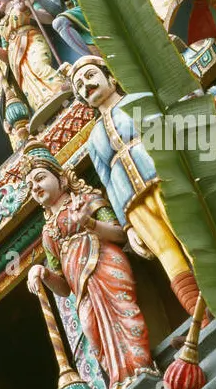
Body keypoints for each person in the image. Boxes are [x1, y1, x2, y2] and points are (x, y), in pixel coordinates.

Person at [68, 56, 202, 316]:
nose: (87, 85)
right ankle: (201, 316)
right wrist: (127, 226)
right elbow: (106, 180)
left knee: (192, 240)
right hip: (134, 206)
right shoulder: (94, 138)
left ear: (111, 78)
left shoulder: (133, 103)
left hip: (165, 182)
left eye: (90, 76)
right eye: (80, 85)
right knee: (167, 256)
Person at [23, 146, 156, 389]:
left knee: (124, 310)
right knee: (91, 330)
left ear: (61, 179)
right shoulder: (48, 234)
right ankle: (119, 379)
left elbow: (119, 233)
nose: (36, 187)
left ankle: (141, 367)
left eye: (40, 178)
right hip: (80, 287)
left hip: (106, 262)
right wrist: (43, 273)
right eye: (31, 186)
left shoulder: (87, 200)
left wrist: (89, 224)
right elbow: (63, 288)